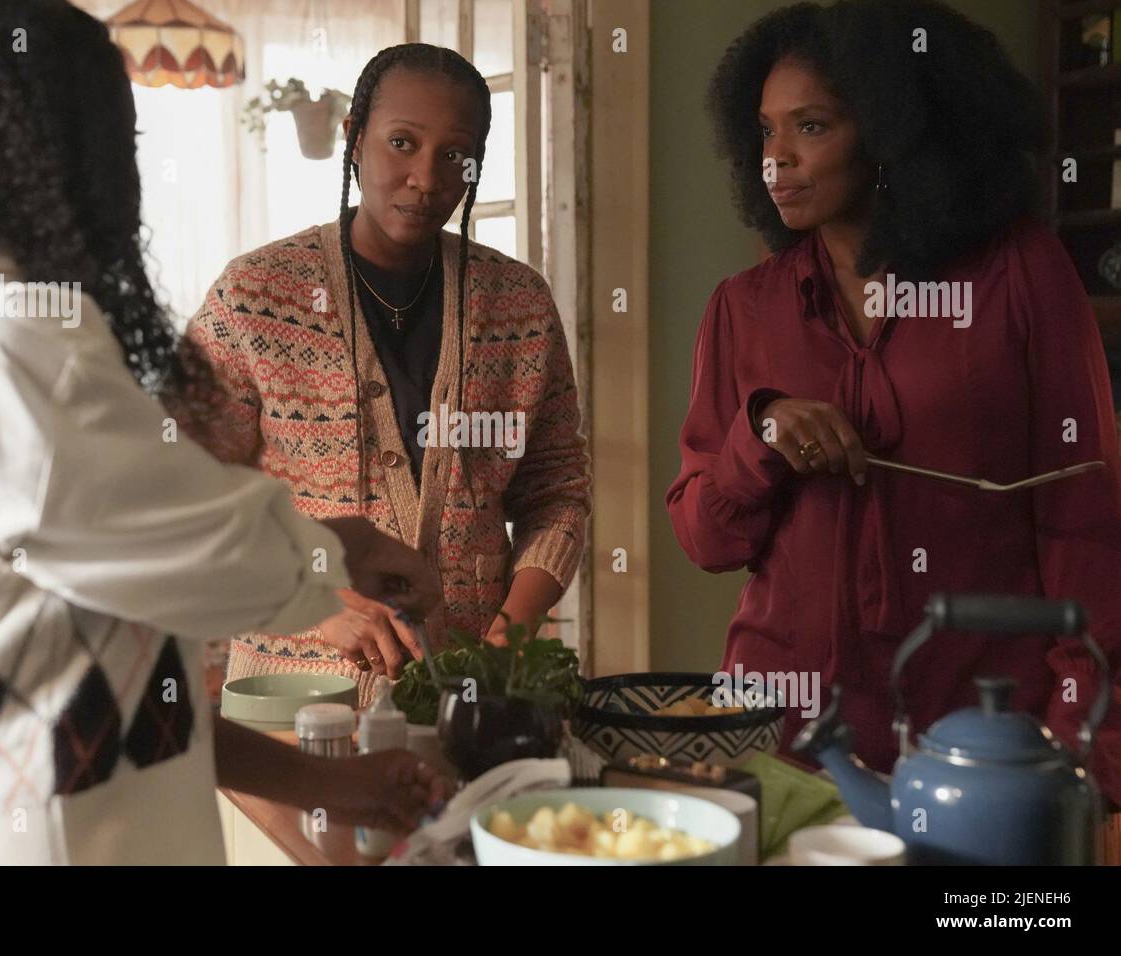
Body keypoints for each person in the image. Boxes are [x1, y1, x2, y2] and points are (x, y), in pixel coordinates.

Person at [0, 0, 447, 864]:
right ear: (48, 145)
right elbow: (213, 561)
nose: (129, 166)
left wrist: (345, 784)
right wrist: (339, 549)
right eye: (117, 132)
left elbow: (125, 669)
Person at [667, 0, 1121, 804]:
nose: (778, 161)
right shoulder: (743, 307)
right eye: (765, 132)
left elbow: (1085, 517)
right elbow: (706, 537)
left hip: (982, 740)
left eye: (811, 127)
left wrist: (1090, 740)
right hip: (784, 736)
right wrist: (762, 433)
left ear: (889, 131)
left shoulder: (1019, 274)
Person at [185, 43, 591, 702]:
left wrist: (504, 643)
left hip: (470, 702)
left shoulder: (518, 304)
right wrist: (315, 599)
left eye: (454, 154)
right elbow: (190, 494)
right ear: (354, 139)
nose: (426, 177)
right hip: (294, 702)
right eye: (402, 142)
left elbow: (557, 494)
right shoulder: (257, 294)